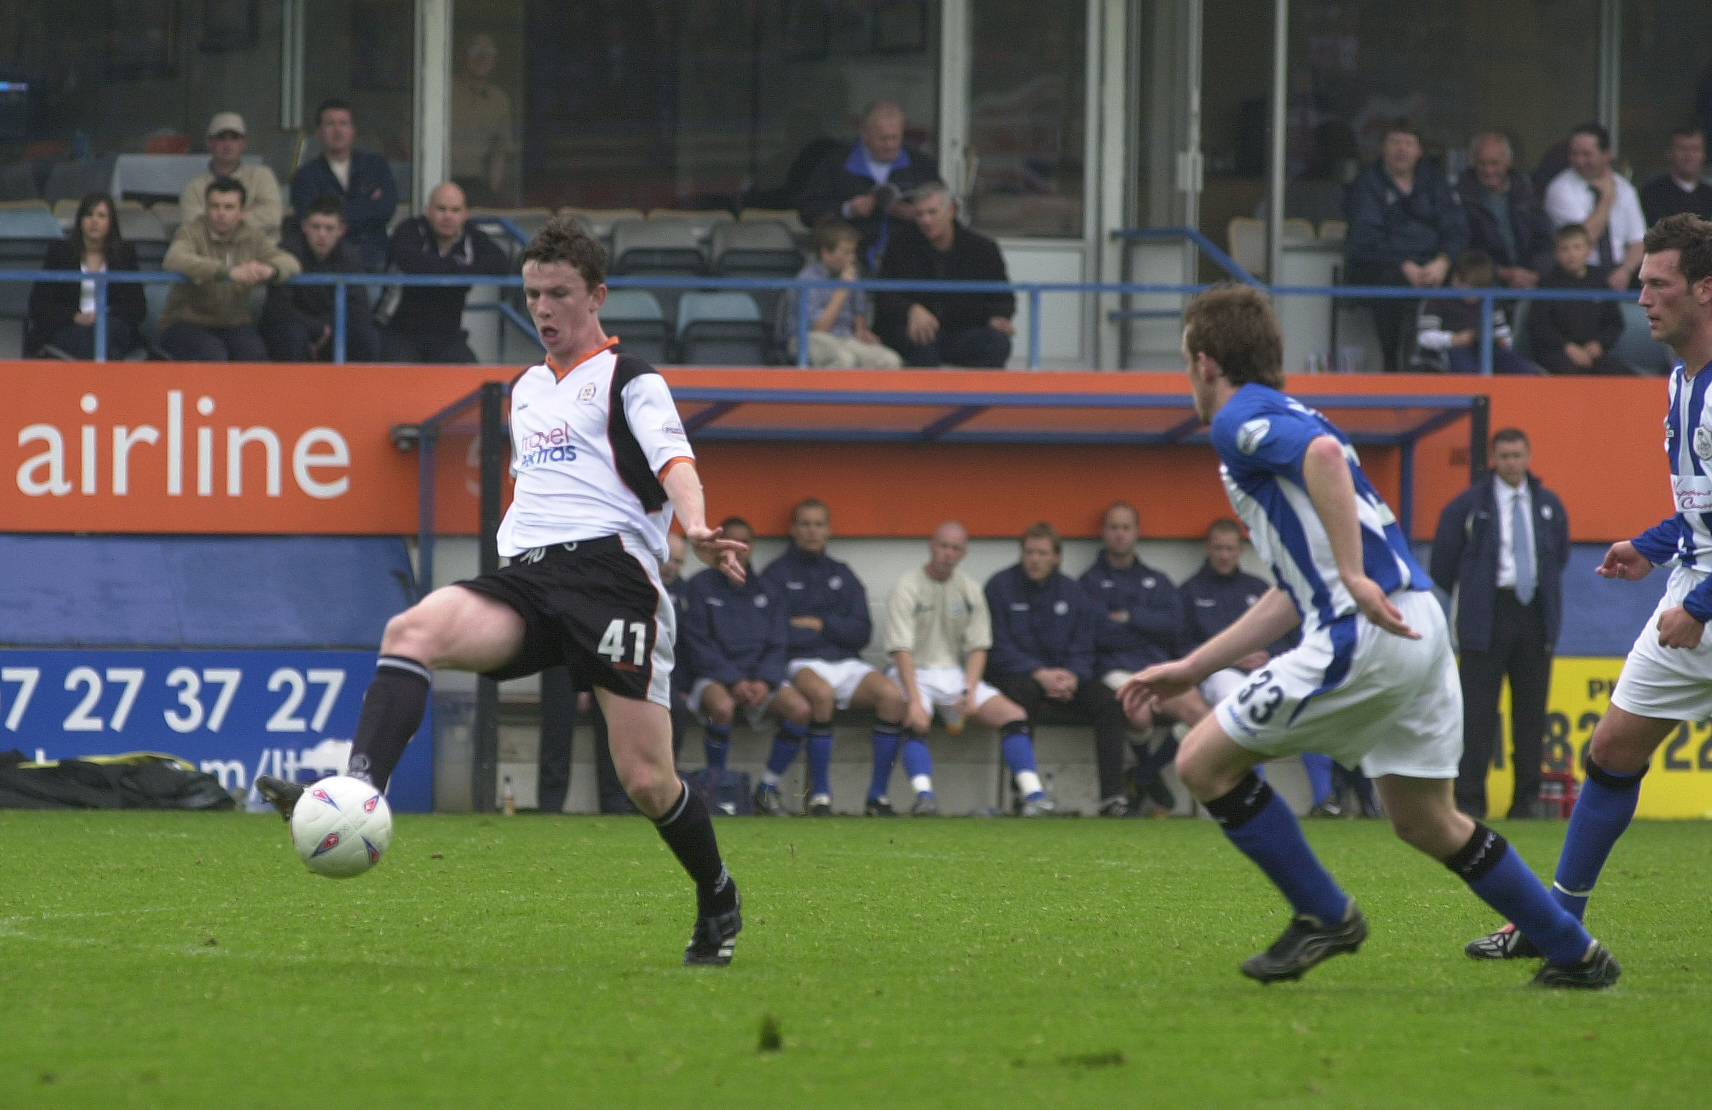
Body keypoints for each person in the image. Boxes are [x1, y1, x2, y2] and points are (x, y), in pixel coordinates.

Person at [256, 217, 750, 967]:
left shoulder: (631, 377)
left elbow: (675, 463)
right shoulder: (523, 390)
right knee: (410, 632)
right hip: (529, 579)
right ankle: (356, 797)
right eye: (531, 295)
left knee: (647, 780)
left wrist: (700, 524)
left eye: (559, 294)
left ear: (597, 296)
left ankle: (717, 894)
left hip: (612, 580)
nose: (544, 309)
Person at [1119, 282, 1616, 988]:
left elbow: (1320, 456)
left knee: (1202, 763)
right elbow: (1293, 595)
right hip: (1417, 625)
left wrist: (1351, 576)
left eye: (1183, 364)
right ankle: (1574, 951)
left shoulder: (1238, 418)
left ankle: (1325, 914)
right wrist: (1191, 666)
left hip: (1367, 630)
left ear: (1204, 363)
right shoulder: (1287, 410)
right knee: (1426, 820)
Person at [1465, 213, 1712, 969]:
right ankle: (1552, 924)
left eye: (1658, 284)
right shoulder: (1678, 383)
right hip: (1690, 589)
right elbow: (1700, 506)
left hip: (1698, 605)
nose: (1641, 299)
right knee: (1610, 750)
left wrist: (1698, 608)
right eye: (1640, 283)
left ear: (1706, 289)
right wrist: (1650, 545)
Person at [1431, 428, 1570, 820]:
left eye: (1517, 455)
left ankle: (1524, 803)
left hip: (1534, 616)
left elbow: (1558, 555)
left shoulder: (1548, 505)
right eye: (1504, 456)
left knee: (1530, 716)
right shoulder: (1467, 506)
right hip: (1485, 617)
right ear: (1493, 458)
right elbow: (1443, 564)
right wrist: (1473, 594)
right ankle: (1470, 802)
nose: (1511, 463)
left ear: (1528, 456)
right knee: (1476, 716)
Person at [1183, 519, 1350, 819]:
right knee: (1235, 695)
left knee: (1306, 700)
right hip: (1217, 676)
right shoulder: (1190, 591)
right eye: (1218, 548)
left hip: (1265, 670)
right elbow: (1181, 647)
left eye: (1230, 548)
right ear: (1208, 548)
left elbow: (1291, 641)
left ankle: (1326, 800)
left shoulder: (1258, 589)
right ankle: (1253, 794)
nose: (1223, 555)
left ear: (1241, 550)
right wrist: (1229, 658)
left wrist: (1266, 654)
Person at [759, 499, 909, 816]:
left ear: (828, 530)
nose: (812, 531)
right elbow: (776, 632)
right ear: (793, 529)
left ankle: (877, 798)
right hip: (801, 663)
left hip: (846, 662)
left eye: (818, 524)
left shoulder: (842, 574)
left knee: (893, 698)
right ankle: (820, 797)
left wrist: (820, 624)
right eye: (805, 524)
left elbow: (862, 632)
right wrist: (824, 633)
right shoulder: (776, 574)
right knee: (821, 695)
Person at [883, 521, 1041, 816]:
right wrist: (915, 700)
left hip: (954, 675)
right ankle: (924, 798)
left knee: (1015, 716)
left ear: (964, 552)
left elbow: (978, 646)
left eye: (956, 548)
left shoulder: (969, 588)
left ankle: (1035, 796)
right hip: (913, 672)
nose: (948, 554)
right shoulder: (907, 585)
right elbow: (900, 649)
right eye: (943, 546)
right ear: (931, 546)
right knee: (915, 721)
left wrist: (968, 690)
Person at [985, 522, 1133, 817]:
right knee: (1021, 695)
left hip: (1065, 680)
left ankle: (1113, 798)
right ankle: (1024, 795)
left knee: (1110, 701)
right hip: (1018, 677)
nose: (1034, 559)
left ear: (1056, 557)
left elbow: (1084, 646)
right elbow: (997, 647)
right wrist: (1039, 673)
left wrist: (1072, 677)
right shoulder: (999, 587)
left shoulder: (1072, 591)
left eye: (1042, 553)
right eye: (1029, 552)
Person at [1077, 502, 1212, 817]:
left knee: (1201, 717)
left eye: (1126, 528)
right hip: (1114, 668)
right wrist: (1146, 627)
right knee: (1137, 714)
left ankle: (1143, 774)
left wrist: (1128, 617)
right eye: (1114, 527)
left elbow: (1174, 628)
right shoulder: (1089, 583)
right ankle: (1146, 777)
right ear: (1103, 533)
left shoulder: (1157, 580)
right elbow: (1100, 634)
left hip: (1157, 667)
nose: (1120, 534)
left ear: (1137, 533)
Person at [682, 516, 816, 795]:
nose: (738, 548)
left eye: (745, 542)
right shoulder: (699, 586)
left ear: (752, 546)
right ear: (718, 546)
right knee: (721, 708)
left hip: (759, 679)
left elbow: (779, 642)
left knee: (800, 710)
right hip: (715, 677)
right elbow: (697, 644)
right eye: (731, 542)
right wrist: (733, 680)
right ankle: (718, 786)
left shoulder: (769, 589)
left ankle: (768, 787)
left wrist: (765, 681)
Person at [1344, 120, 1469, 371]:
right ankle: (1393, 366)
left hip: (1433, 265)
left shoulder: (1434, 181)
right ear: (1382, 149)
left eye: (1409, 143)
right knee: (1390, 282)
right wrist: (1403, 265)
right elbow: (1365, 237)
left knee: (1468, 279)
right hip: (1384, 267)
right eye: (1394, 142)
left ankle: (1452, 364)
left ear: (1419, 151)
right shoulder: (1368, 182)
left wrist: (1443, 261)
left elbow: (1456, 227)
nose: (1402, 149)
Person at [873, 181, 1015, 369]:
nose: (926, 220)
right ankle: (924, 399)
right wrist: (910, 309)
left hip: (964, 331)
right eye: (919, 214)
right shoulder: (900, 246)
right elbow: (883, 294)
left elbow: (1003, 298)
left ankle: (977, 398)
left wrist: (998, 317)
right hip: (915, 333)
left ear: (952, 211)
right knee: (923, 346)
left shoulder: (982, 249)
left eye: (932, 212)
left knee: (996, 343)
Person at [158, 177, 300, 361]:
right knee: (212, 353)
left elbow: (291, 262)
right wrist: (227, 272)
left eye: (229, 207)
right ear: (206, 209)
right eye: (214, 206)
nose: (221, 213)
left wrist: (269, 270)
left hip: (234, 324)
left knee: (254, 355)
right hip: (184, 324)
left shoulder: (252, 237)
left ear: (242, 212)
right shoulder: (190, 232)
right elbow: (174, 259)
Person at [796, 100, 941, 268]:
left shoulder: (921, 164)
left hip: (909, 263)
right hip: (848, 263)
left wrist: (919, 214)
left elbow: (946, 212)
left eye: (895, 137)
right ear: (864, 134)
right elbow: (807, 210)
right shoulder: (836, 163)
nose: (890, 145)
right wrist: (848, 209)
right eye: (883, 138)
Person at [380, 182, 511, 364]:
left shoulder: (472, 236)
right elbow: (414, 264)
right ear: (428, 211)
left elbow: (500, 263)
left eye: (455, 210)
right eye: (441, 209)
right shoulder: (408, 231)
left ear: (465, 214)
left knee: (470, 379)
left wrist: (456, 268)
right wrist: (460, 266)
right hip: (400, 333)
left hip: (447, 337)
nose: (448, 216)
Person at [24, 192, 145, 359]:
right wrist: (75, 317)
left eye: (101, 216)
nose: (94, 221)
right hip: (70, 326)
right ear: (80, 220)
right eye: (89, 215)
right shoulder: (60, 253)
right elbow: (38, 305)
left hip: (112, 326)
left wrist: (103, 314)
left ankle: (89, 381)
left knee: (105, 334)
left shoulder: (124, 255)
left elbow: (138, 307)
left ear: (111, 222)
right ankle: (104, 380)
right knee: (102, 347)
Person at [261, 195, 380, 362]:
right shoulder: (287, 252)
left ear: (342, 230)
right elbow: (277, 309)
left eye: (329, 228)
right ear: (304, 226)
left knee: (366, 338)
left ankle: (356, 388)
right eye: (316, 227)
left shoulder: (349, 257)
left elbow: (359, 310)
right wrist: (318, 328)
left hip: (333, 330)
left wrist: (327, 329)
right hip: (294, 330)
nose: (322, 235)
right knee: (292, 336)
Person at [291, 98, 400, 271]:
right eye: (330, 124)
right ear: (318, 132)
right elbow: (307, 217)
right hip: (325, 263)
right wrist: (364, 207)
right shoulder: (306, 175)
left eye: (343, 123)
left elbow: (386, 208)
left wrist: (337, 214)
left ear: (353, 131)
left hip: (372, 259)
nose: (338, 130)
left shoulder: (375, 166)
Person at [783, 216, 903, 368]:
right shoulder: (807, 279)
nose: (852, 258)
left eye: (853, 252)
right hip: (807, 339)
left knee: (889, 360)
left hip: (845, 338)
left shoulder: (851, 275)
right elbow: (818, 329)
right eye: (846, 253)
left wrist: (861, 330)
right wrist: (841, 291)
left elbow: (859, 310)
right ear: (826, 253)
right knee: (844, 360)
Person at [1543, 122, 1646, 292]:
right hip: (1578, 276)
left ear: (1606, 155)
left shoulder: (1625, 189)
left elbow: (1639, 240)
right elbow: (1581, 239)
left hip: (1622, 273)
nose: (1580, 161)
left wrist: (1625, 271)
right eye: (1574, 154)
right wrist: (1606, 198)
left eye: (1587, 154)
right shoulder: (1560, 189)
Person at [1456, 133, 1554, 290]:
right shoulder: (1462, 196)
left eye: (1495, 163)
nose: (1489, 170)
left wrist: (1535, 274)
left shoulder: (1526, 192)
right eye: (1482, 164)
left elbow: (1546, 241)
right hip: (1484, 283)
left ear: (1509, 162)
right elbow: (1463, 249)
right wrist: (1503, 273)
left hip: (1532, 282)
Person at [1529, 224, 1629, 375]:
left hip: (1594, 353)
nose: (1572, 254)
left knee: (1621, 376)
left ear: (1588, 250)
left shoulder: (1599, 280)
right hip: (1558, 354)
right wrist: (1568, 347)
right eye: (1565, 249)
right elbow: (1540, 326)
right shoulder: (1547, 283)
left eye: (1577, 247)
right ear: (1556, 253)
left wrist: (1599, 344)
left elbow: (1614, 321)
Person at [1414, 249, 1534, 374]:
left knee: (1521, 369)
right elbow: (1424, 337)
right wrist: (1453, 339)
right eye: (1469, 288)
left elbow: (1501, 331)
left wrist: (1503, 341)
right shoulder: (1439, 299)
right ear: (1456, 280)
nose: (1474, 295)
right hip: (1454, 350)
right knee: (1468, 371)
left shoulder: (1489, 300)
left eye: (1479, 290)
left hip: (1489, 349)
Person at [179, 112, 283, 244]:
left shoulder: (262, 176)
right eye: (221, 138)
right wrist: (247, 211)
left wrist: (219, 220)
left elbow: (273, 217)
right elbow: (195, 229)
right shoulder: (193, 188)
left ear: (244, 143)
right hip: (214, 258)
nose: (227, 144)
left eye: (234, 138)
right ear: (209, 143)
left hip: (261, 256)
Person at [450, 33, 517, 208]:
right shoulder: (443, 91)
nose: (482, 57)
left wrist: (491, 194)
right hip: (441, 179)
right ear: (462, 56)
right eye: (475, 50)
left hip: (477, 186)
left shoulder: (499, 100)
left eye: (489, 52)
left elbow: (500, 151)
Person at [1638, 128, 1712, 227]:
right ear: (1669, 153)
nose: (1689, 156)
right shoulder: (1652, 194)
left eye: (1695, 149)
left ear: (1703, 155)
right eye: (1682, 149)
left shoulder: (1709, 195)